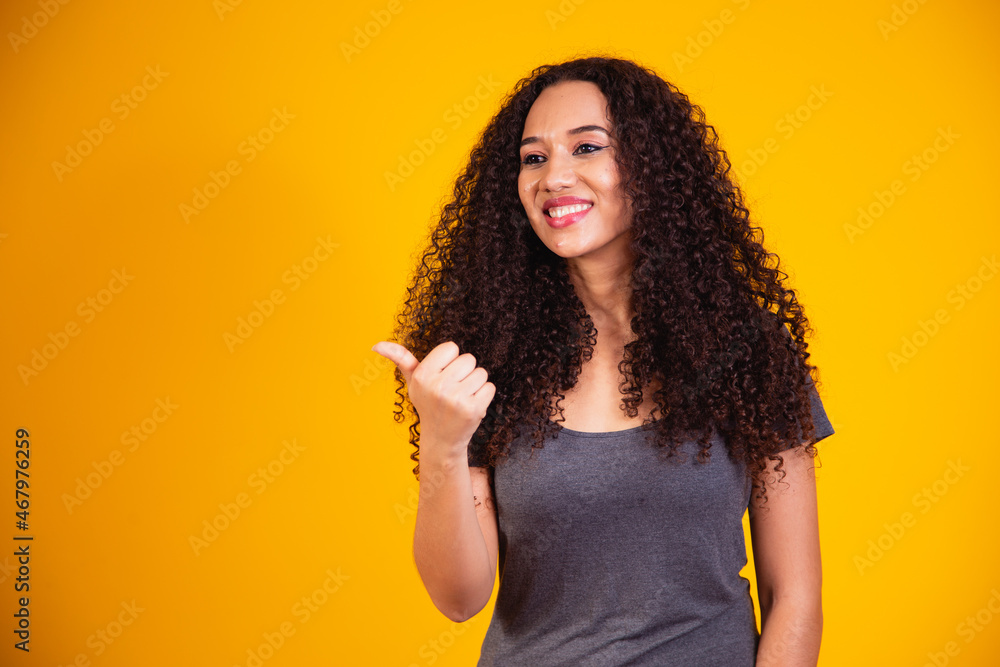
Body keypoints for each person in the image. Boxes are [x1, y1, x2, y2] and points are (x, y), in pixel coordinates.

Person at [372, 55, 834, 666]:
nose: (553, 177)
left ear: (652, 168)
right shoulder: (485, 359)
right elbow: (459, 597)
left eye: (586, 148)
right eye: (533, 158)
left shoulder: (746, 352)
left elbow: (794, 597)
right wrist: (443, 444)